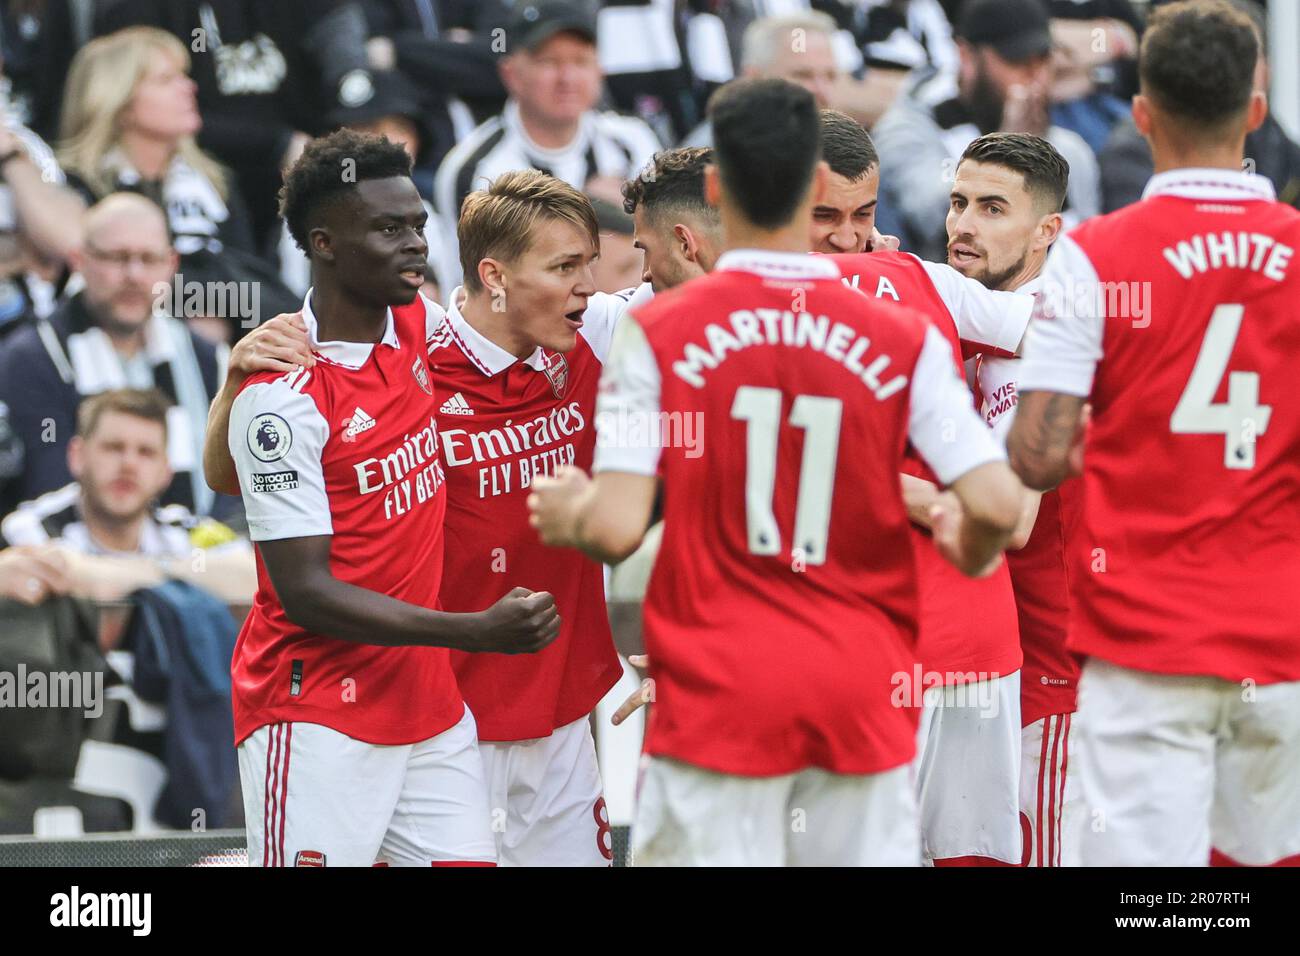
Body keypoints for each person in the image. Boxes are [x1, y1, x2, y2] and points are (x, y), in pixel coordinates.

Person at [529, 77, 1025, 866]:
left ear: (718, 188)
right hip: (862, 691)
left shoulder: (657, 329)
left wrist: (570, 513)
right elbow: (997, 502)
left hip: (720, 693)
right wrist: (963, 539)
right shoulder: (901, 324)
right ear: (820, 186)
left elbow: (619, 524)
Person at [207, 165, 652, 866]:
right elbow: (237, 473)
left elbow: (712, 276)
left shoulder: (596, 333)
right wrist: (235, 386)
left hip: (556, 715)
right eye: (566, 266)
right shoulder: (411, 348)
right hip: (430, 709)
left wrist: (864, 258)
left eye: (590, 264)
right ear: (495, 276)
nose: (588, 284)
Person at [1008, 0, 1300, 867]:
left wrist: (1126, 428)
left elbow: (1034, 455)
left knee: (1151, 897)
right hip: (1281, 635)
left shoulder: (1095, 255)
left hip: (1143, 642)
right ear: (1256, 108)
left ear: (1143, 114)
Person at [944, 132, 1082, 867]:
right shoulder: (983, 326)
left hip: (1055, 684)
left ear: (1045, 231)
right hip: (1003, 678)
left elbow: (1015, 522)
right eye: (959, 202)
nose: (965, 224)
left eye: (993, 208)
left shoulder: (1042, 337)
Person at [0, 193, 228, 520]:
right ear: (79, 261)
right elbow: (48, 489)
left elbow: (232, 487)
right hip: (76, 556)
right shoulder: (31, 357)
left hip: (198, 554)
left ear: (171, 264)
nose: (134, 275)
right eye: (117, 258)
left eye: (148, 259)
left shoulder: (208, 359)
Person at [432, 0, 660, 289]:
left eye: (580, 61)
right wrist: (604, 212)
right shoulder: (474, 168)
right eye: (549, 62)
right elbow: (475, 290)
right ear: (511, 73)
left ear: (599, 69)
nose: (567, 78)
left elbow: (668, 247)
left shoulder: (633, 138)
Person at [873, 0, 1100, 262]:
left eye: (1043, 61)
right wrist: (1010, 152)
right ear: (966, 56)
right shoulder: (910, 127)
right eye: (1018, 62)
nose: (1035, 77)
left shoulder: (1070, 149)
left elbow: (1083, 254)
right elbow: (934, 220)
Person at [1099, 0, 1300, 211]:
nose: (1217, 69)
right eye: (1198, 54)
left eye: (1238, 57)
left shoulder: (1286, 155)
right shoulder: (1128, 154)